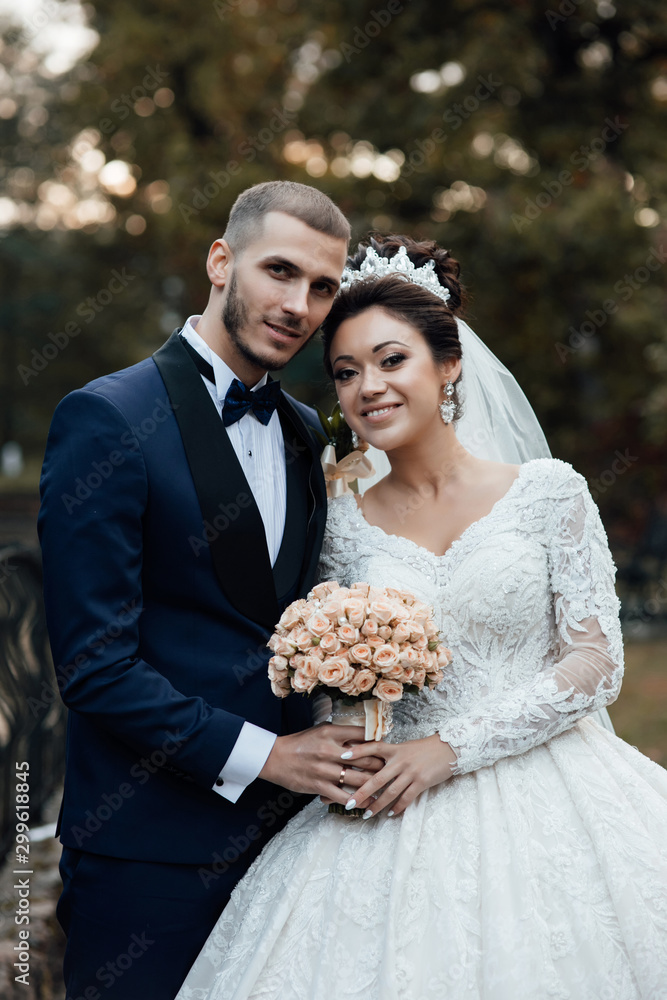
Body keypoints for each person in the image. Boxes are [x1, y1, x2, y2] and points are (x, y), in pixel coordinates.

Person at [176, 235, 667, 999]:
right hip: (387, 796)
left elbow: (594, 663)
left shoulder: (548, 492)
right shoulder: (338, 523)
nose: (367, 387)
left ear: (449, 364)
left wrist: (449, 750)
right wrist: (347, 729)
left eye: (390, 360)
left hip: (550, 787)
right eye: (346, 372)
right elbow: (328, 677)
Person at [37, 181, 386, 999]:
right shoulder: (107, 418)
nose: (298, 306)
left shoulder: (304, 430)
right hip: (148, 857)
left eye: (322, 287)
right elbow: (94, 669)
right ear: (221, 262)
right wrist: (273, 758)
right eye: (279, 271)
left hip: (293, 853)